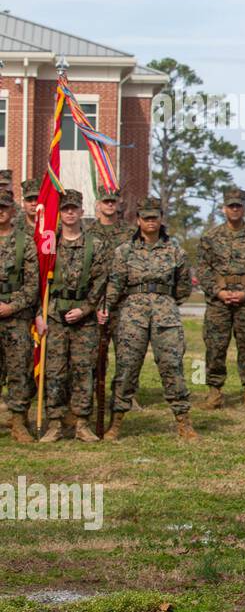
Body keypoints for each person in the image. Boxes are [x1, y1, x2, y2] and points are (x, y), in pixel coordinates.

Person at [102, 197, 197, 440]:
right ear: (138, 220)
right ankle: (116, 422)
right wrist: (106, 308)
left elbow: (183, 287)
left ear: (161, 219)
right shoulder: (124, 252)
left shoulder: (176, 252)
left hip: (166, 315)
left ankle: (183, 421)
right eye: (146, 217)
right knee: (126, 369)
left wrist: (165, 302)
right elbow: (115, 285)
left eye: (155, 217)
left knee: (171, 367)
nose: (151, 221)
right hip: (133, 315)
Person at [35, 190, 111, 442]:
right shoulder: (48, 244)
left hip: (84, 318)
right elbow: (38, 282)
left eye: (73, 208)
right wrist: (39, 314)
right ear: (59, 212)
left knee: (83, 370)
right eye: (65, 208)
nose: (69, 212)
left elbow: (101, 281)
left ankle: (81, 423)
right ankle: (55, 423)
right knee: (55, 371)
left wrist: (86, 308)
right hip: (54, 316)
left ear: (81, 211)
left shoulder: (95, 244)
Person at [198, 186, 245, 409]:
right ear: (224, 208)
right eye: (231, 206)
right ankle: (214, 393)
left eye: (238, 206)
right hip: (218, 301)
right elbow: (202, 269)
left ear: (244, 208)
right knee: (215, 346)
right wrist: (218, 291)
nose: (235, 209)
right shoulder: (210, 238)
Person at [86, 188, 144, 410]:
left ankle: (126, 395)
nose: (110, 205)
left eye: (113, 201)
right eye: (105, 201)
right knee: (93, 353)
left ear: (119, 204)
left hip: (123, 301)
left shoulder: (131, 233)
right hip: (95, 301)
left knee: (127, 352)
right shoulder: (87, 232)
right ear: (98, 204)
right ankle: (90, 393)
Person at [0, 187, 37, 442]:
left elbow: (32, 284)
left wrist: (12, 306)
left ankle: (18, 421)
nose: (0, 212)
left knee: (19, 371)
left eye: (4, 207)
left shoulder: (25, 242)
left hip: (16, 317)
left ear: (13, 210)